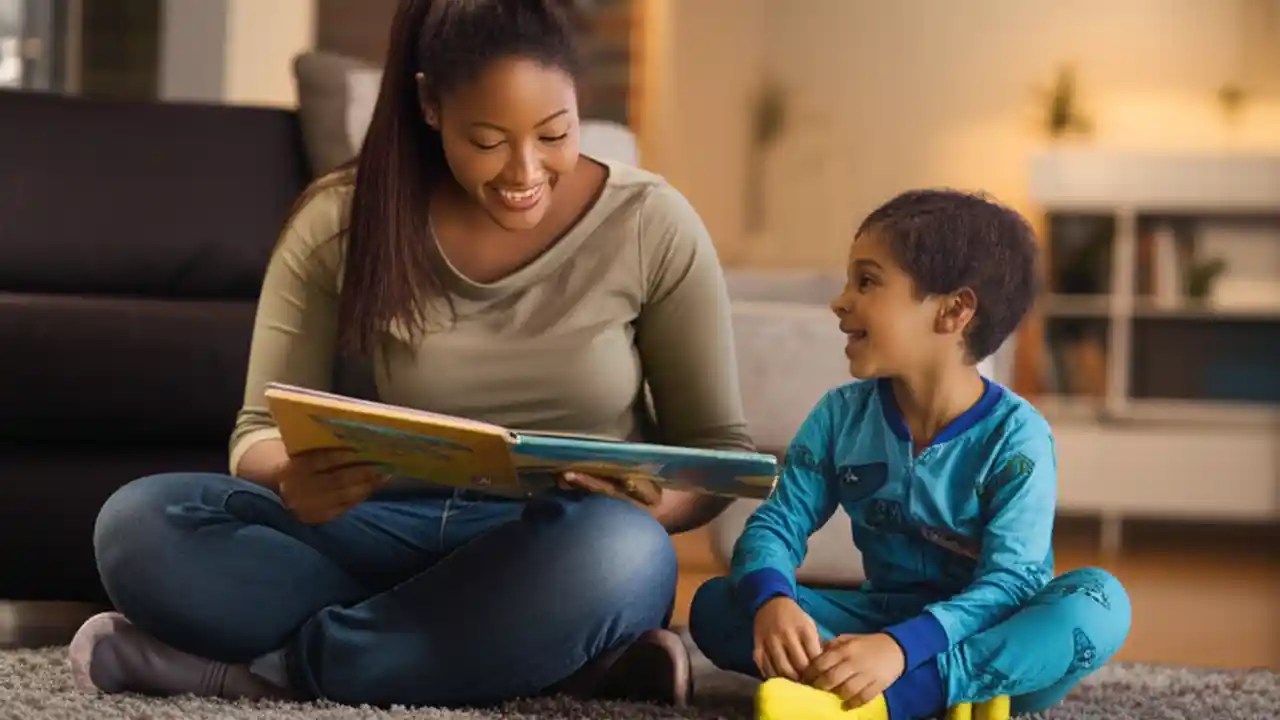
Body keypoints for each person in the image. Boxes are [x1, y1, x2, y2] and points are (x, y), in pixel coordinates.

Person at [68, 0, 754, 709]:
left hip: (553, 545)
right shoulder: (339, 218)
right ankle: (540, 658)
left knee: (622, 557)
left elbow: (714, 452)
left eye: (555, 133)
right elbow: (256, 432)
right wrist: (294, 474)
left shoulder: (651, 223)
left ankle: (263, 674)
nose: (526, 170)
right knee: (141, 524)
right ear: (430, 105)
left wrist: (655, 504)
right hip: (371, 533)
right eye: (487, 140)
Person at [688, 189, 1131, 720]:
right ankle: (865, 686)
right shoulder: (839, 416)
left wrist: (903, 651)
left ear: (952, 311)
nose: (840, 300)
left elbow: (1011, 583)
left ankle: (888, 700)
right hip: (876, 622)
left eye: (867, 281)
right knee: (717, 605)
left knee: (1101, 603)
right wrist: (774, 603)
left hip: (990, 647)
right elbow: (777, 525)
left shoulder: (1018, 437)